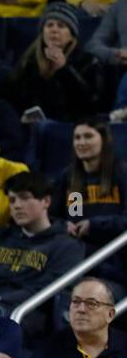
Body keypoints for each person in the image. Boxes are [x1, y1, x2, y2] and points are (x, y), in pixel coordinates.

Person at [0, 171, 86, 319]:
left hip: (27, 314)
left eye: (25, 198)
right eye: (12, 200)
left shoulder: (67, 247)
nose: (17, 206)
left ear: (46, 201)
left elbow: (47, 291)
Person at [0, 3, 108, 122]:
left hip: (73, 126)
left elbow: (92, 104)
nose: (54, 30)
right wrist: (19, 118)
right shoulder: (29, 61)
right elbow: (10, 96)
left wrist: (64, 69)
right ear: (42, 33)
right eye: (49, 25)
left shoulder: (89, 61)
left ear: (71, 35)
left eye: (61, 26)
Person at [56, 118, 127, 280]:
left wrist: (94, 225)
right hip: (78, 253)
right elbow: (68, 215)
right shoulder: (69, 176)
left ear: (104, 140)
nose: (81, 143)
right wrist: (64, 225)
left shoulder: (122, 173)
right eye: (77, 137)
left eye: (88, 136)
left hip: (115, 255)